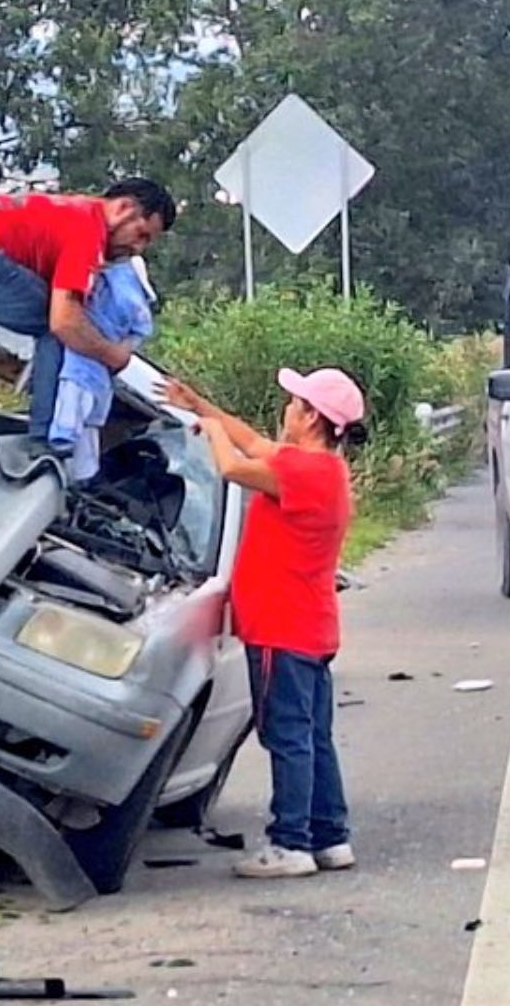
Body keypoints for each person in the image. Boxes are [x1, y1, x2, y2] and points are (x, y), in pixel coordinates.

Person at [160, 368, 368, 879]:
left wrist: (207, 433)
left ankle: (290, 843)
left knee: (286, 735)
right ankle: (329, 835)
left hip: (281, 627)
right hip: (310, 626)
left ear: (313, 416)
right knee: (313, 735)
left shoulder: (300, 472)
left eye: (295, 403)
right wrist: (199, 403)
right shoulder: (322, 468)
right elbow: (251, 441)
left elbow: (231, 465)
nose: (288, 410)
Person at [0, 178, 176, 447]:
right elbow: (64, 322)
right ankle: (46, 438)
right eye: (141, 235)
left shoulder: (62, 209)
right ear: (123, 208)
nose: (138, 249)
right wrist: (113, 355)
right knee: (65, 328)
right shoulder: (88, 227)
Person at [48, 258, 156, 482]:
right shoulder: (119, 336)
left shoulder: (82, 326)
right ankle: (79, 474)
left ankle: (73, 468)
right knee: (85, 437)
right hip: (98, 387)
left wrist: (61, 441)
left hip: (80, 379)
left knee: (72, 426)